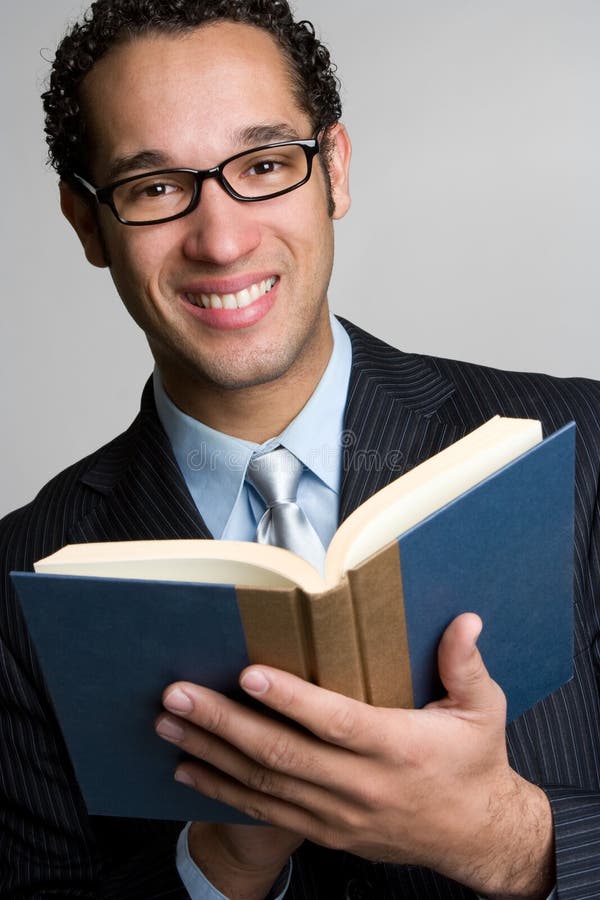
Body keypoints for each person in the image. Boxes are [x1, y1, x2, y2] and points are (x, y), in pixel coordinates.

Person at [1, 1, 599, 898]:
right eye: (154, 187)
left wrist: (500, 838)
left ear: (334, 171)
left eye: (265, 165)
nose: (222, 240)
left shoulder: (583, 449)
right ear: (88, 223)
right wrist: (222, 863)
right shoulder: (19, 581)